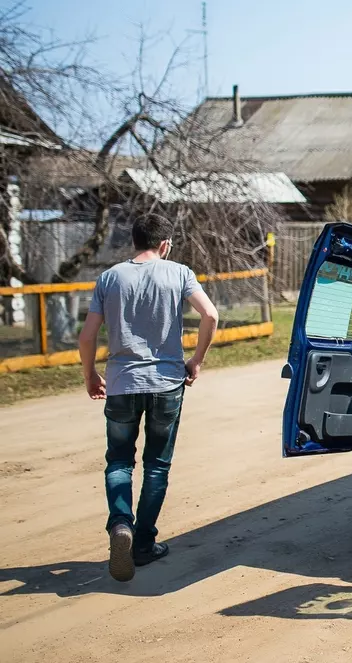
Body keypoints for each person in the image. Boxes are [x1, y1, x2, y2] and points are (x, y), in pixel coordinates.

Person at [79, 214, 219, 582]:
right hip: (166, 383)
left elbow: (86, 336)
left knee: (120, 462)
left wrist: (91, 373)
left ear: (134, 243)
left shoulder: (109, 278)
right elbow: (211, 315)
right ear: (164, 244)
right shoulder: (179, 273)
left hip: (122, 383)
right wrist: (197, 360)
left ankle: (120, 524)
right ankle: (142, 544)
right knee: (157, 465)